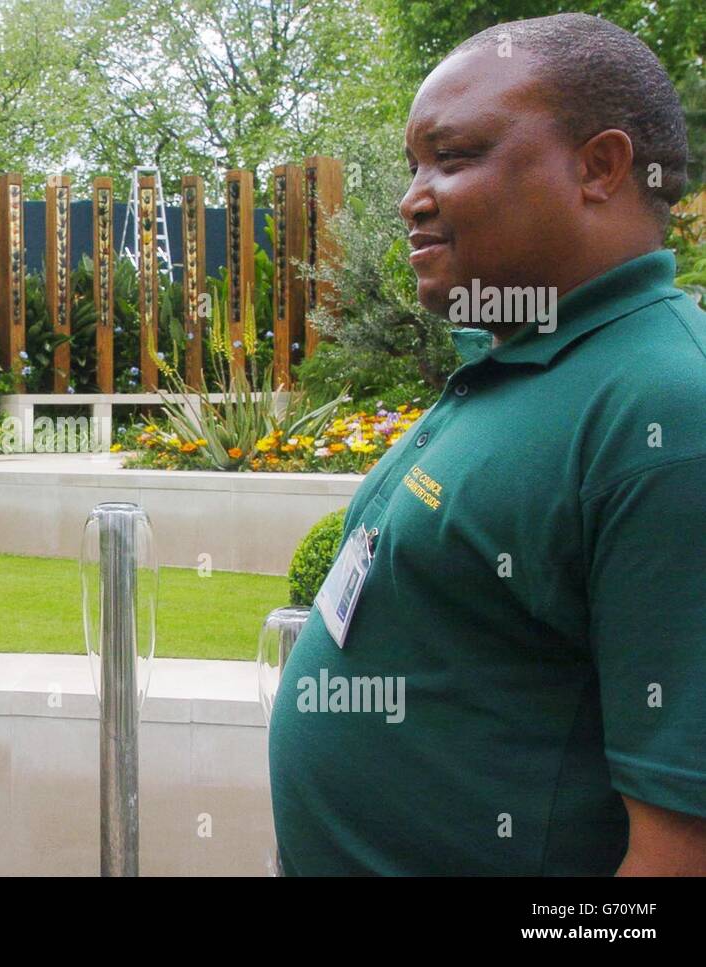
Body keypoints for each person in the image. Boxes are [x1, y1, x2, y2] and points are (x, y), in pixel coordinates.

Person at [269, 13, 706, 875]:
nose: (412, 197)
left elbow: (679, 856)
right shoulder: (523, 356)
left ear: (600, 167)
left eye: (455, 156)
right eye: (413, 166)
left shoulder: (666, 413)